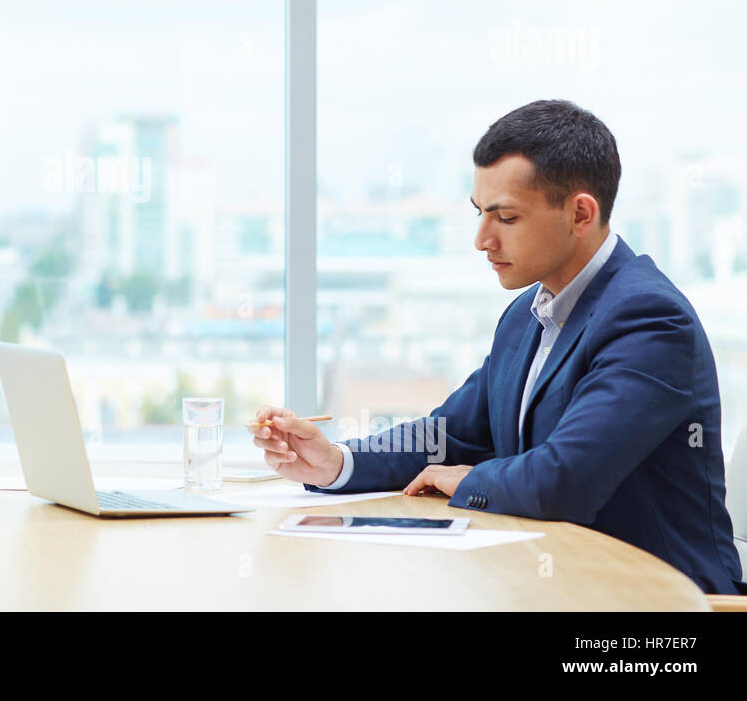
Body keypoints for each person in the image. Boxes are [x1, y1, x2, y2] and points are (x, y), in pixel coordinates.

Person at [254, 99, 745, 595]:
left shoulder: (648, 320)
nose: (481, 239)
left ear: (580, 213)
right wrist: (337, 462)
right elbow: (451, 434)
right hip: (552, 585)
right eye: (479, 213)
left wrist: (468, 479)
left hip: (658, 606)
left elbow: (564, 481)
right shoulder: (527, 312)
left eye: (505, 217)